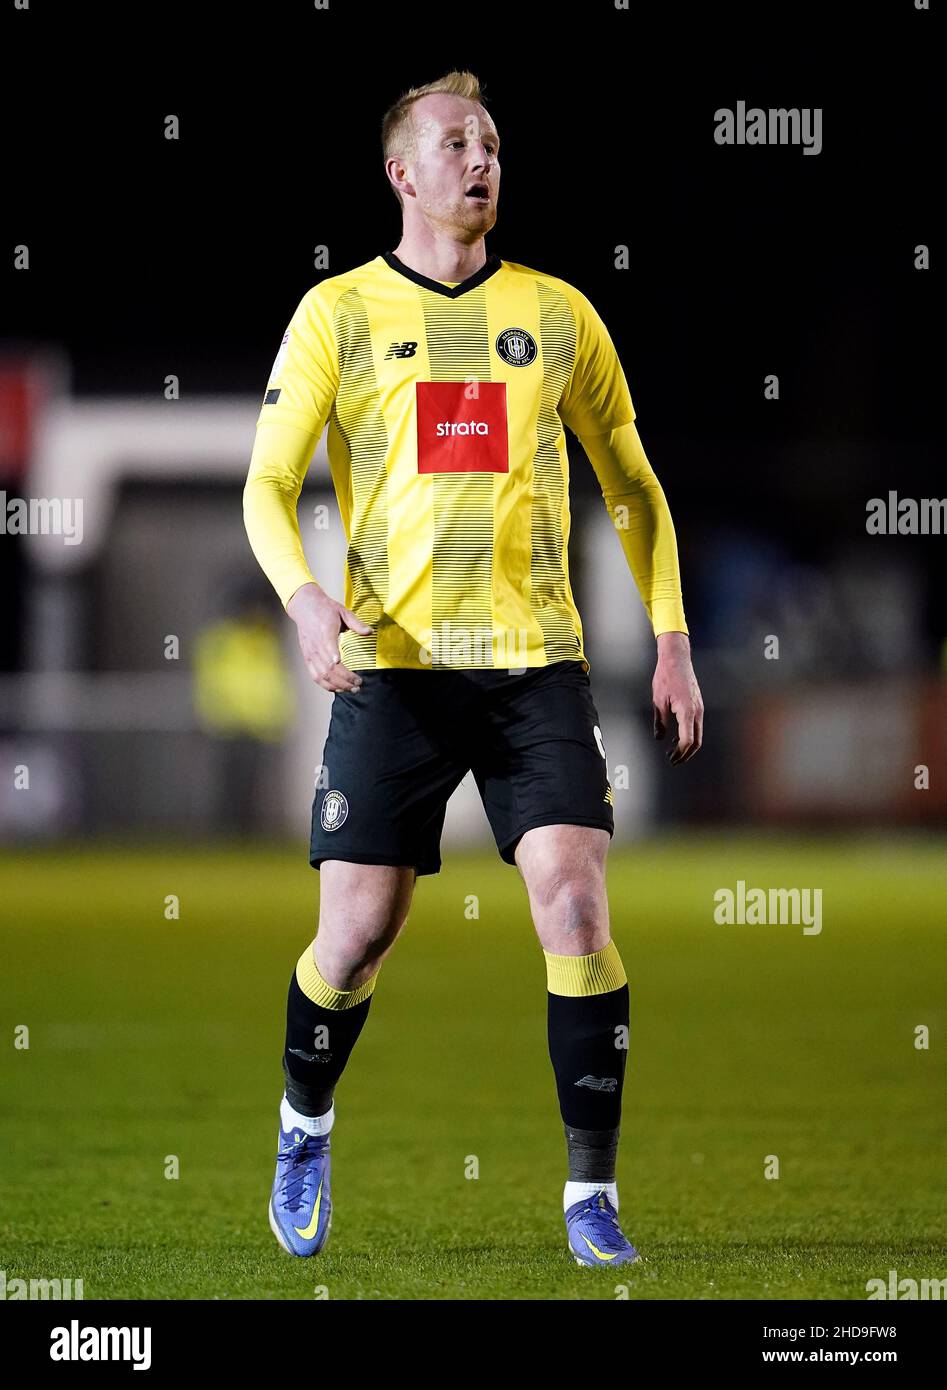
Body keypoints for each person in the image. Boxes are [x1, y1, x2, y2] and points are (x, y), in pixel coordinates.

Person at [243, 69, 703, 1268]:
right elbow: (266, 483)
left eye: (490, 141)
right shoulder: (338, 312)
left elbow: (630, 484)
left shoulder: (556, 313)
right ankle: (303, 1128)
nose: (480, 158)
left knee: (575, 899)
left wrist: (669, 637)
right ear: (401, 172)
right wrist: (303, 599)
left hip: (532, 666)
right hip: (392, 667)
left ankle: (589, 1197)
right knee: (356, 935)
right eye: (454, 143)